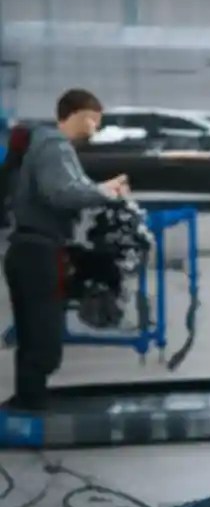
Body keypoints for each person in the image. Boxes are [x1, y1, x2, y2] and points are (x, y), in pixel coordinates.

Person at [3, 89, 129, 411]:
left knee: (34, 334)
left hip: (30, 249)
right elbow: (60, 193)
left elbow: (76, 187)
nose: (94, 130)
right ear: (75, 114)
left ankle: (28, 402)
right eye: (93, 121)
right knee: (43, 338)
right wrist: (105, 193)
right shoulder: (54, 146)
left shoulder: (53, 149)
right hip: (37, 252)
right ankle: (29, 409)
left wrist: (103, 188)